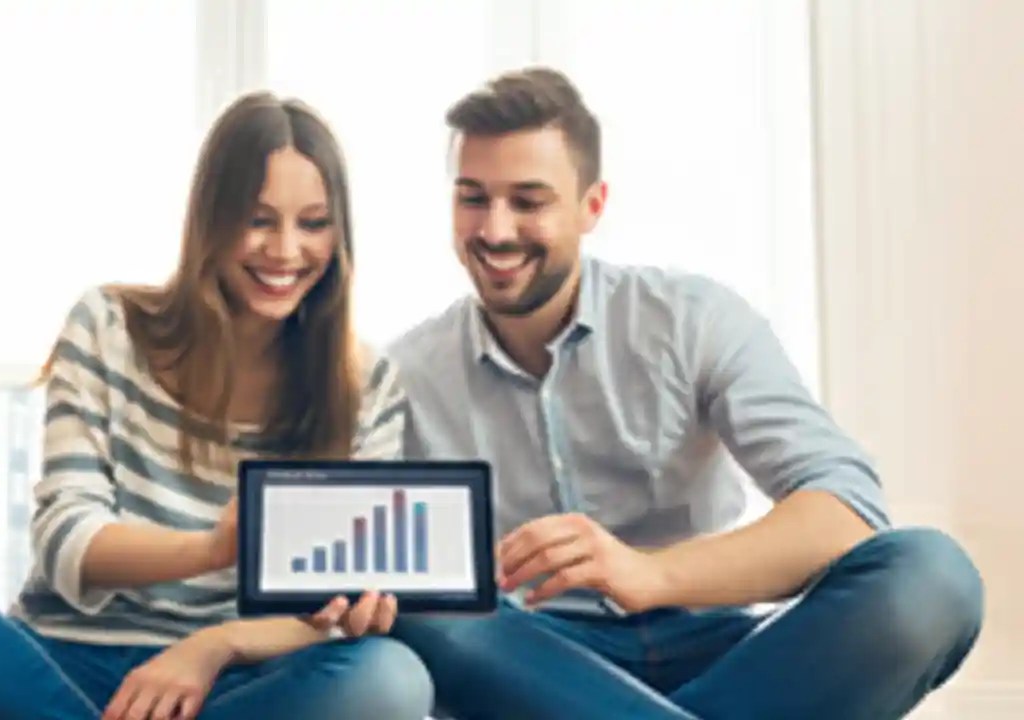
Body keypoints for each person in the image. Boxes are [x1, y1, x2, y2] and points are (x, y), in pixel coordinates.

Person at [0, 92, 433, 720]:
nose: (286, 250)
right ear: (210, 219)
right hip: (60, 660)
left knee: (391, 681)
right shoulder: (108, 326)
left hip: (233, 686)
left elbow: (348, 603)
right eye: (259, 219)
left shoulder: (367, 383)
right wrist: (213, 549)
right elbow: (67, 540)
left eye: (313, 223)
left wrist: (213, 645)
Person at [386, 67, 984, 720]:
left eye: (528, 202)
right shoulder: (404, 376)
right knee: (420, 606)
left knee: (933, 578)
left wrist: (650, 574)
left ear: (592, 206)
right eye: (473, 198)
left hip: (719, 645)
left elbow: (845, 509)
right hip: (533, 662)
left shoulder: (691, 318)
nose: (495, 230)